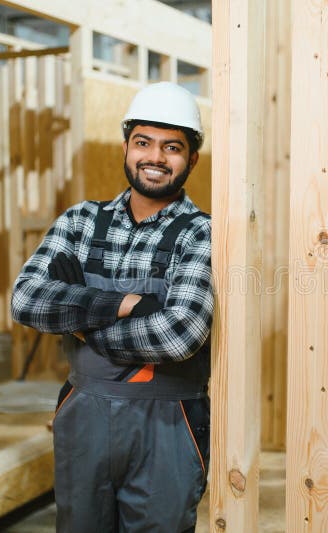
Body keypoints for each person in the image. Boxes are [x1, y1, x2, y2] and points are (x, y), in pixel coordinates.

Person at [11, 82, 213, 533]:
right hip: (84, 418)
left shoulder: (202, 233)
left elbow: (178, 335)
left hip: (169, 425)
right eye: (143, 142)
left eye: (172, 147)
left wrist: (83, 326)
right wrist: (124, 304)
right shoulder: (81, 221)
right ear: (126, 146)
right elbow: (26, 300)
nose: (155, 157)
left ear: (191, 159)